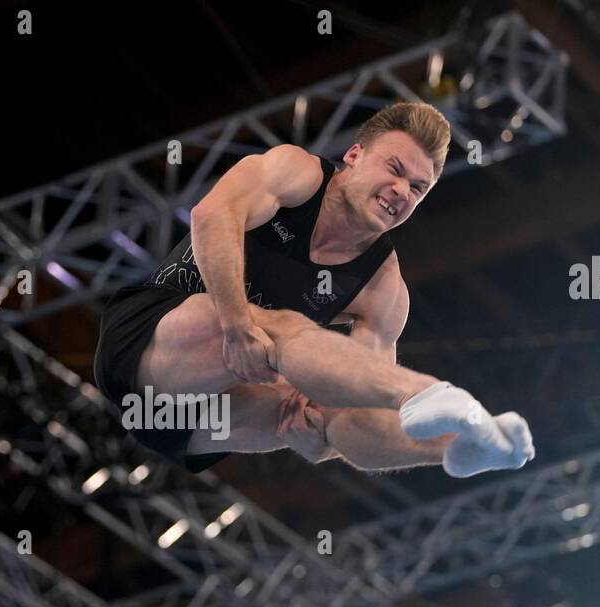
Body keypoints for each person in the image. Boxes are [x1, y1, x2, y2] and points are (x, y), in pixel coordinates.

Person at [93, 101, 534, 477]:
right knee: (278, 329)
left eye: (418, 188)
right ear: (355, 154)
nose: (402, 191)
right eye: (395, 169)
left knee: (333, 411)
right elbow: (211, 215)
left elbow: (363, 409)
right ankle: (422, 392)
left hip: (193, 423)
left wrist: (321, 445)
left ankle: (456, 447)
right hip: (142, 351)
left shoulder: (383, 288)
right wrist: (235, 325)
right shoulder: (296, 174)